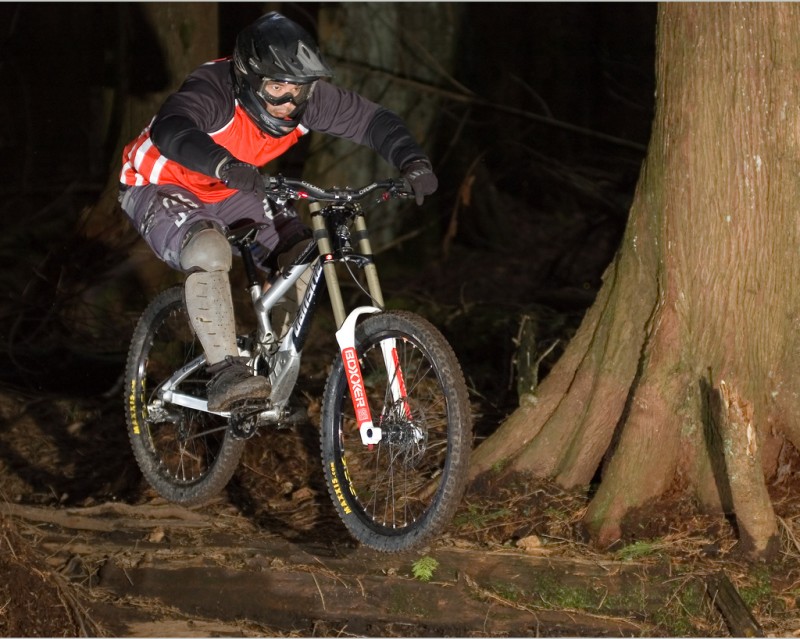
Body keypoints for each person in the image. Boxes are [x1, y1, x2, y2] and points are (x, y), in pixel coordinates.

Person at [118, 11, 438, 412]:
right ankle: (226, 371)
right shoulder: (215, 89)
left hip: (229, 188)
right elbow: (171, 128)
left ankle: (272, 364)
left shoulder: (307, 101)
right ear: (249, 79)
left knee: (303, 255)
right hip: (158, 181)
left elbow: (375, 121)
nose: (290, 102)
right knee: (208, 249)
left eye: (299, 89)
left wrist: (413, 162)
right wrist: (223, 164)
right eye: (277, 88)